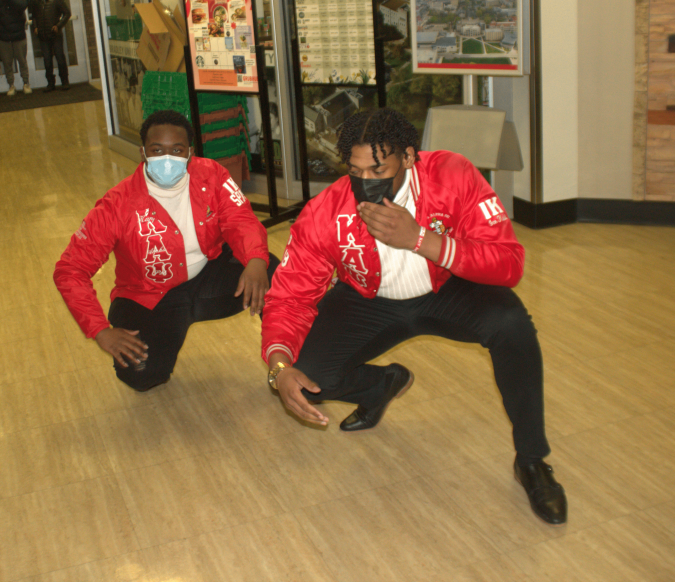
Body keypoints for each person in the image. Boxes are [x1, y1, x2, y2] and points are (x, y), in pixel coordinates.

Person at [261, 108, 568, 525]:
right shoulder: (327, 211)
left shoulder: (453, 175)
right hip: (368, 300)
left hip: (447, 288)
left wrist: (422, 240)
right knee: (311, 378)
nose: (365, 181)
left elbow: (508, 263)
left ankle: (532, 461)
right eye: (355, 169)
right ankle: (381, 385)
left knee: (511, 326)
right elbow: (290, 294)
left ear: (409, 157)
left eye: (378, 168)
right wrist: (278, 365)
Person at [54, 109, 278, 392]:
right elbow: (70, 270)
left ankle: (289, 358)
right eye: (157, 150)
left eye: (177, 150)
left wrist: (255, 258)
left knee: (271, 270)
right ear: (143, 153)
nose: (167, 158)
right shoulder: (117, 205)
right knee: (143, 374)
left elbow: (240, 219)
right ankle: (166, 334)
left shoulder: (212, 174)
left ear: (190, 153)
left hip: (209, 280)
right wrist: (100, 330)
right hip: (149, 295)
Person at [31, 0, 71, 92]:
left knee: (60, 57)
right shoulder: (36, 1)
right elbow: (33, 16)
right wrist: (35, 27)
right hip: (42, 35)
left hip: (55, 34)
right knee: (47, 60)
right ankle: (50, 83)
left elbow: (67, 13)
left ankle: (65, 82)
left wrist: (58, 25)